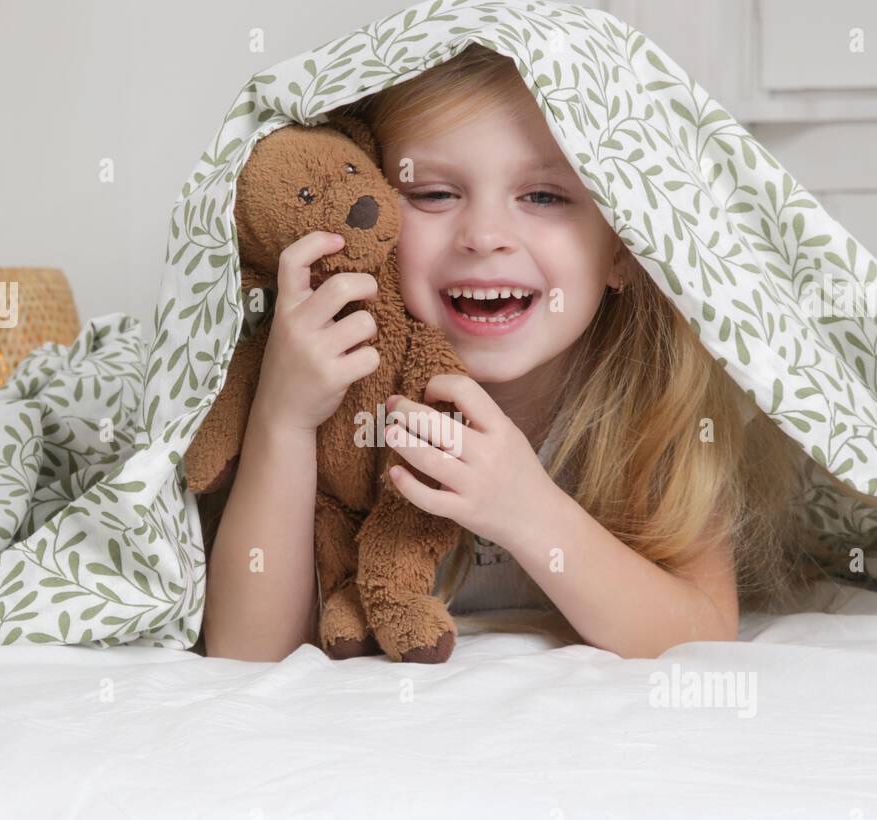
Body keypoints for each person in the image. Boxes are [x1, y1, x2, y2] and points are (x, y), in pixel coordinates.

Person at [201, 43, 825, 663]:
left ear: (623, 249)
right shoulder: (338, 387)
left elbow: (705, 632)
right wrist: (284, 418)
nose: (485, 237)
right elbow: (248, 651)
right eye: (435, 194)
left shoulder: (652, 400)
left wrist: (526, 508)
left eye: (545, 197)